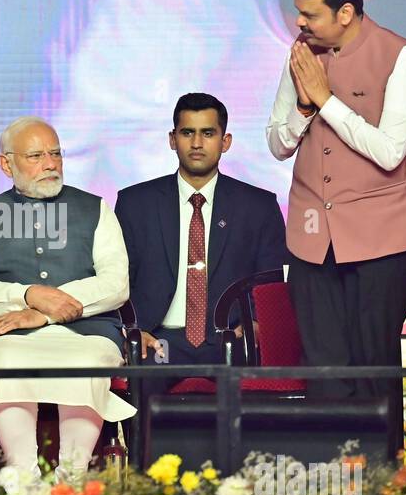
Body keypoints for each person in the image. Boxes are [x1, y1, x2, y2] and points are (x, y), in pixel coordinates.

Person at [265, 0, 406, 401]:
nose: (299, 22)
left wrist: (325, 101)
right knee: (324, 366)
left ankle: (383, 468)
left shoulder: (399, 56)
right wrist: (304, 109)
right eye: (298, 12)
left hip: (386, 233)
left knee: (372, 364)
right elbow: (277, 144)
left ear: (345, 14)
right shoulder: (302, 55)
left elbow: (389, 152)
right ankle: (331, 464)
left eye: (310, 14)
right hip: (313, 233)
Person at [0, 117, 132, 483]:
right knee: (6, 359)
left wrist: (45, 314)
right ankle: (25, 484)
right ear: (7, 164)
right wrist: (26, 296)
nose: (50, 164)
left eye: (56, 154)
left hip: (87, 333)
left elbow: (116, 284)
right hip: (9, 337)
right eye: (36, 155)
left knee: (85, 361)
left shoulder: (96, 209)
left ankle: (73, 482)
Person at [116, 92, 287, 373]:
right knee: (144, 379)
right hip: (159, 343)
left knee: (240, 400)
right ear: (172, 140)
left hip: (229, 341)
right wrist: (131, 330)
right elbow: (117, 280)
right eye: (187, 133)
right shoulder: (135, 204)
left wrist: (256, 324)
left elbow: (273, 280)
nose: (197, 143)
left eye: (208, 133)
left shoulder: (258, 206)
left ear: (225, 141)